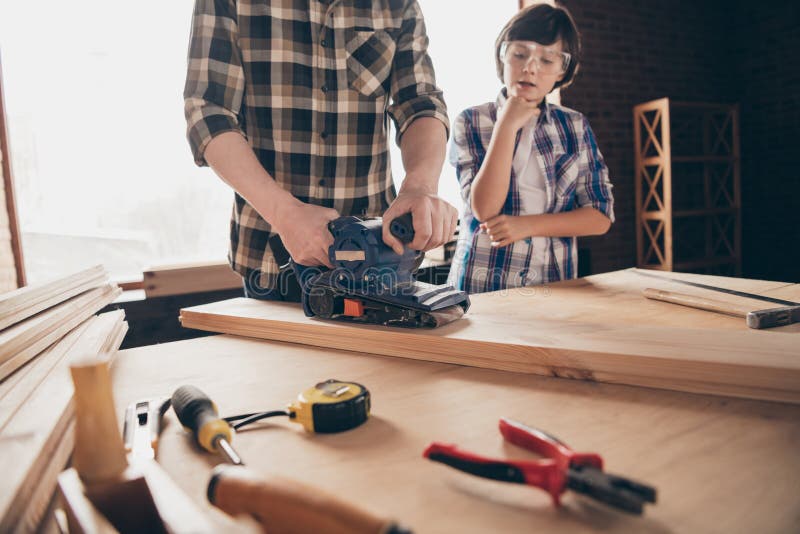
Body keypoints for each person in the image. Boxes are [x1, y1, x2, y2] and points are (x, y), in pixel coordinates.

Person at [184, 0, 457, 300]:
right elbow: (208, 113)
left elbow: (420, 103)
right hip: (274, 262)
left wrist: (421, 185)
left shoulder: (397, 4)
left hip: (380, 256)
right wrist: (285, 214)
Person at [447, 4, 614, 294]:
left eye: (548, 59)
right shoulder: (471, 120)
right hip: (483, 283)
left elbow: (600, 216)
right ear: (503, 56)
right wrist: (506, 127)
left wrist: (527, 225)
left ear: (563, 70)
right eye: (520, 54)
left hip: (556, 283)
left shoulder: (574, 125)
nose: (530, 68)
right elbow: (484, 208)